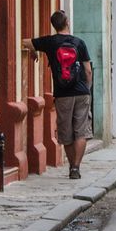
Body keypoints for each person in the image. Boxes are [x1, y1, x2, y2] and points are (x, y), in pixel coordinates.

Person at [23, 10, 93, 179]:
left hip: (63, 94)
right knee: (81, 132)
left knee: (66, 133)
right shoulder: (79, 43)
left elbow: (25, 42)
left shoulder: (50, 42)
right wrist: (87, 89)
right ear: (67, 22)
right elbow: (88, 70)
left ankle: (71, 166)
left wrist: (34, 51)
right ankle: (76, 167)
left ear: (54, 25)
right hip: (82, 92)